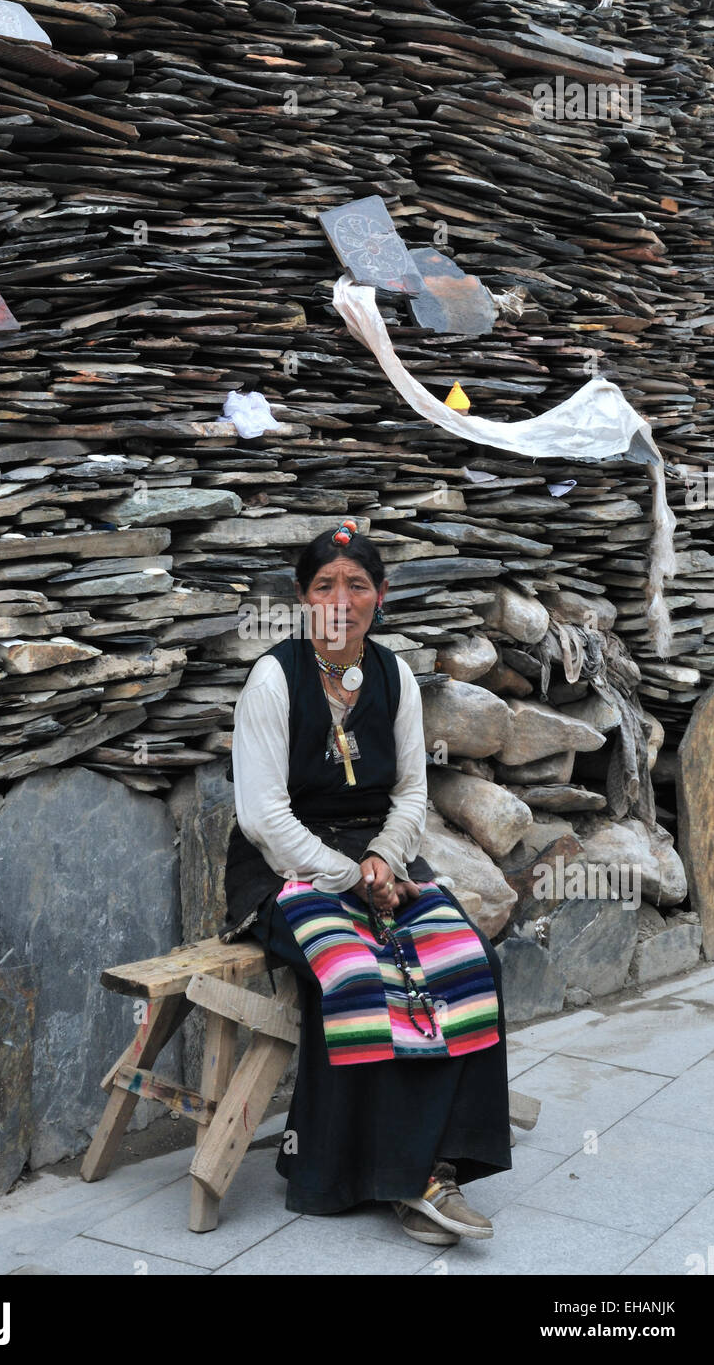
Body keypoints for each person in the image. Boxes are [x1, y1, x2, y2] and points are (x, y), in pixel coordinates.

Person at [220, 518, 512, 1246]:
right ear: (302, 597)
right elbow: (261, 815)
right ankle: (380, 1176)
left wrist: (383, 859)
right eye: (325, 586)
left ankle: (434, 1162)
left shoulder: (394, 677)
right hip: (287, 868)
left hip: (379, 858)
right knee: (356, 973)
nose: (341, 600)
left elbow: (412, 791)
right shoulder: (273, 679)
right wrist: (351, 876)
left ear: (380, 596)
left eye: (357, 585)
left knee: (469, 961)